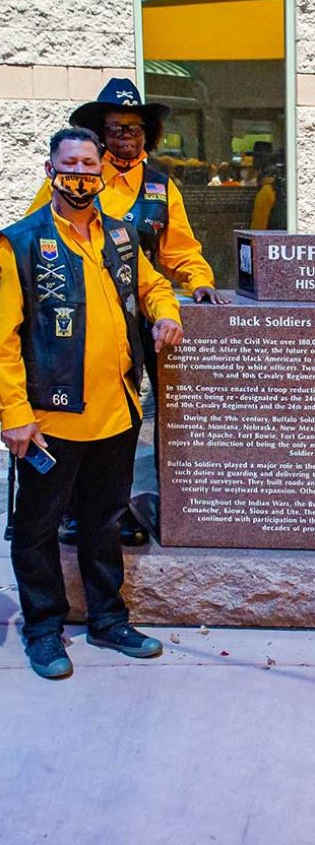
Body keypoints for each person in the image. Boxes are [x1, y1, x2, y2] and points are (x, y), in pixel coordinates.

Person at [0, 128, 184, 679]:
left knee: (102, 522)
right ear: (51, 170)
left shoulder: (122, 236)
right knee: (37, 530)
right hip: (48, 422)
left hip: (117, 412)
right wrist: (13, 415)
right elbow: (4, 338)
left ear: (103, 170)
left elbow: (150, 285)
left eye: (89, 164)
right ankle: (43, 630)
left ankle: (107, 619)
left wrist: (166, 311)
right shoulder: (21, 242)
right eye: (70, 165)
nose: (80, 175)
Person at [29, 78, 229, 545]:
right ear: (100, 132)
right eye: (116, 128)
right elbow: (36, 243)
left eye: (135, 129)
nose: (126, 137)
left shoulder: (161, 185)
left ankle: (142, 507)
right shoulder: (77, 180)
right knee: (81, 416)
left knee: (142, 417)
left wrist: (200, 283)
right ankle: (75, 512)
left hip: (141, 311)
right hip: (79, 317)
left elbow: (179, 250)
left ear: (148, 134)